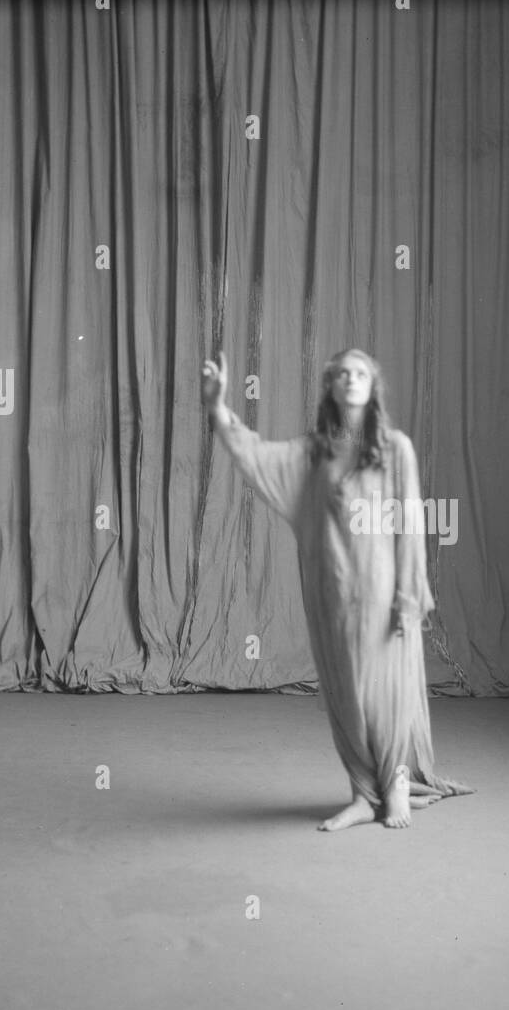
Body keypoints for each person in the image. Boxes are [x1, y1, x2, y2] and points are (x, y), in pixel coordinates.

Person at [200, 347, 474, 831]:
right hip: (332, 591)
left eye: (361, 372)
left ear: (373, 385)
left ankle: (394, 786)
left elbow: (411, 528)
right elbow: (255, 455)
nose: (351, 379)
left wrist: (410, 596)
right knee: (346, 692)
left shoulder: (396, 449)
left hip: (383, 592)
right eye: (342, 373)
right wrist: (218, 407)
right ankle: (362, 794)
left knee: (384, 692)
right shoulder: (314, 452)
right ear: (330, 386)